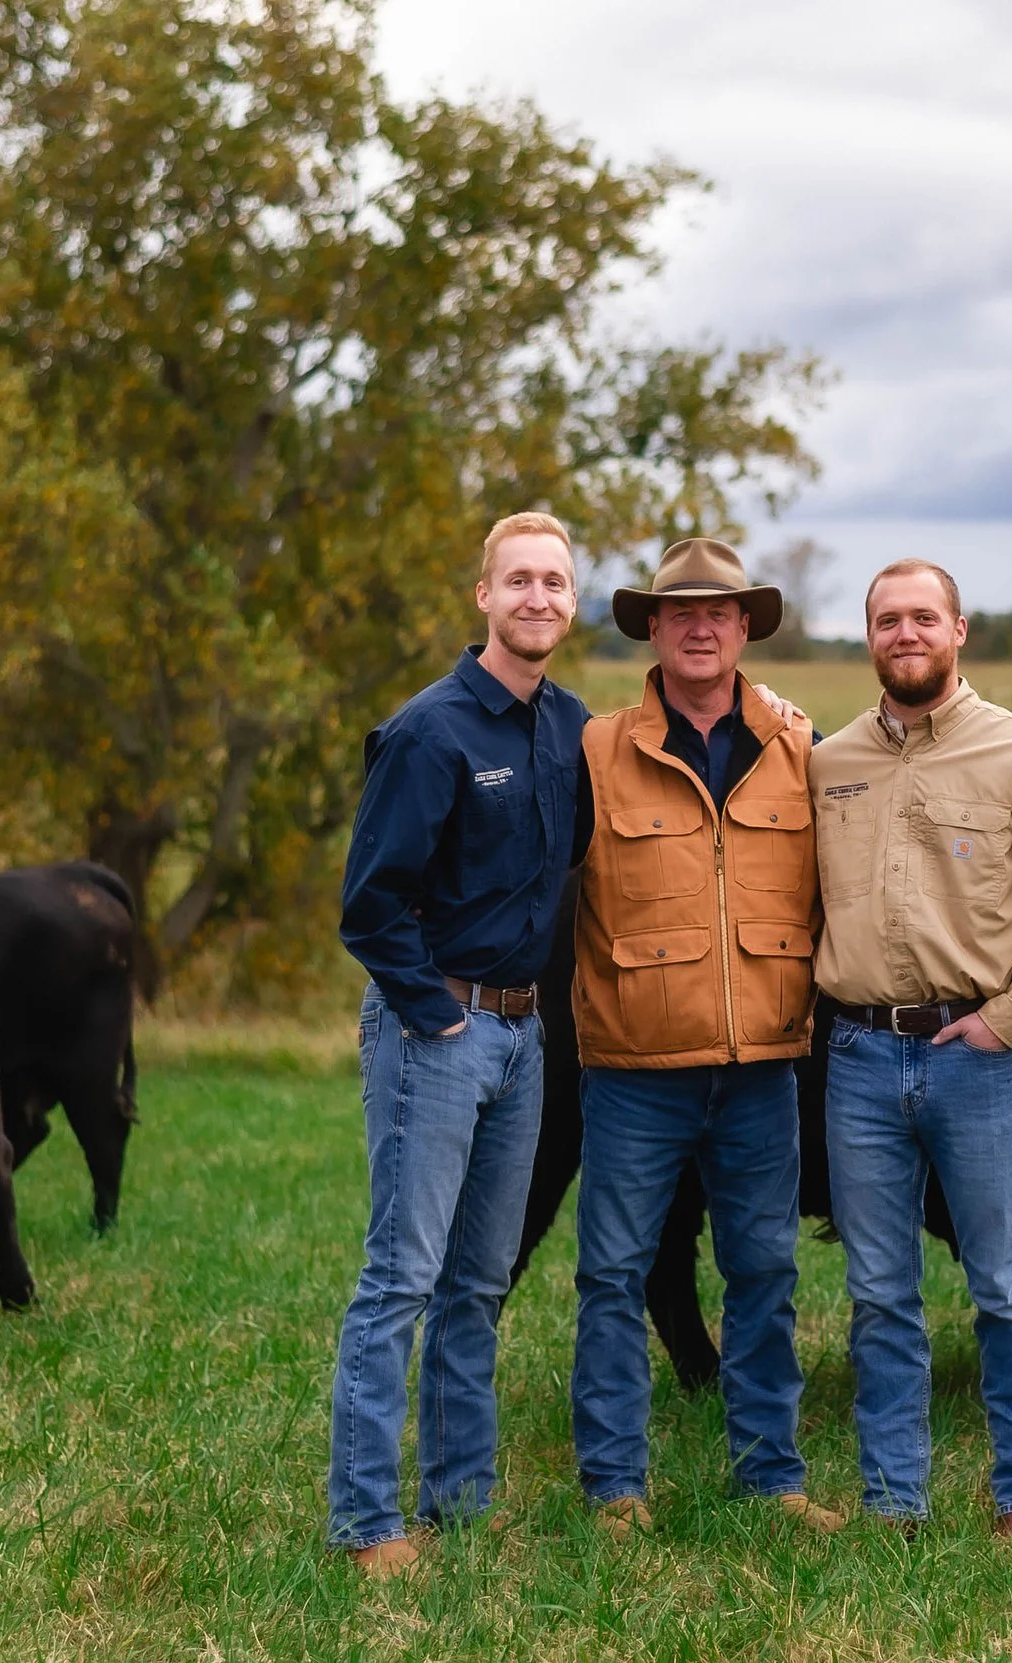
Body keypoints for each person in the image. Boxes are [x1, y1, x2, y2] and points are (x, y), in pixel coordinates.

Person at [809, 557, 1012, 1551]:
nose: (905, 633)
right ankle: (895, 1499)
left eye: (922, 617)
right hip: (857, 1058)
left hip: (976, 1057)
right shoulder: (829, 761)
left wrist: (1005, 1018)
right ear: (869, 637)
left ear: (958, 630)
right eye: (887, 618)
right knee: (880, 1293)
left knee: (1005, 1285)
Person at [328, 511, 588, 1577]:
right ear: (482, 596)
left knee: (480, 1283)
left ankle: (461, 1502)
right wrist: (435, 1012)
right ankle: (366, 1523)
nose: (537, 597)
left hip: (526, 1037)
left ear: (573, 603)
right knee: (402, 1275)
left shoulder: (569, 726)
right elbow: (369, 903)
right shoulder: (430, 732)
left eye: (555, 582)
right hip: (436, 1029)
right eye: (518, 579)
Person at [568, 537, 843, 1538]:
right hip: (634, 1070)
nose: (698, 626)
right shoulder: (595, 749)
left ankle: (771, 1478)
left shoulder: (799, 745)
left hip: (765, 1068)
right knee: (610, 1275)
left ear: (745, 626)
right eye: (677, 610)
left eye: (718, 611)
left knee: (765, 1273)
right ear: (649, 625)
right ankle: (613, 1488)